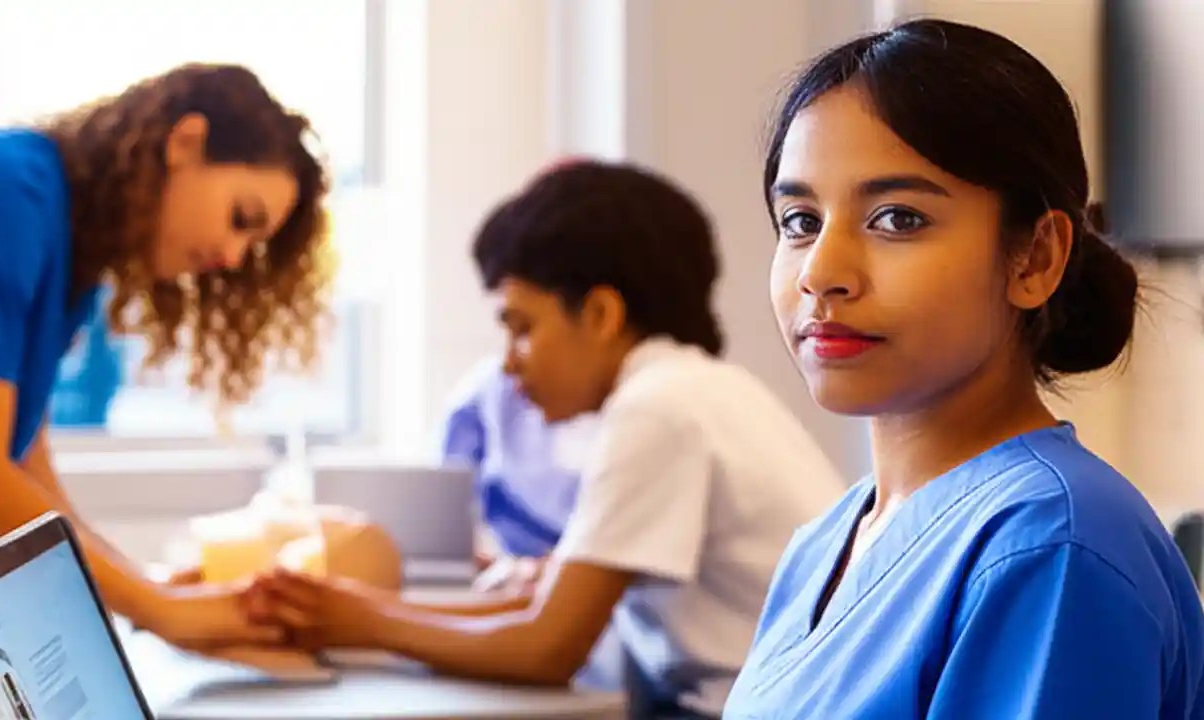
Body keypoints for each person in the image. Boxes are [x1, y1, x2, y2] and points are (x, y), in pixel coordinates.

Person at [723, 19, 1204, 718]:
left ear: (1034, 258)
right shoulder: (827, 541)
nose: (821, 273)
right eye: (799, 221)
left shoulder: (1052, 547)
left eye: (897, 219)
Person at [255, 161, 844, 717]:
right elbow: (544, 610)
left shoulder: (659, 409)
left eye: (522, 329)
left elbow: (546, 648)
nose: (509, 366)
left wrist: (364, 621)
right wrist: (356, 611)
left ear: (600, 314)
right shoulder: (695, 390)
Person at [0, 63, 332, 718]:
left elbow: (27, 472)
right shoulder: (2, 191)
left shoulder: (69, 254)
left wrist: (148, 589)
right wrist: (162, 612)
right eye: (240, 218)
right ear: (185, 143)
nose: (232, 256)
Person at [439, 355, 599, 588]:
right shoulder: (490, 390)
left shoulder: (642, 412)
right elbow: (443, 500)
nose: (508, 364)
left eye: (526, 330)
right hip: (522, 576)